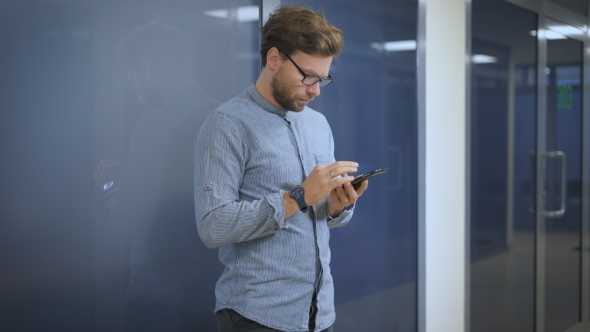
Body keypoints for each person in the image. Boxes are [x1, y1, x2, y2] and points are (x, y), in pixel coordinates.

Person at [193, 5, 369, 332]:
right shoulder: (226, 124)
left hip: (320, 315)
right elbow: (212, 226)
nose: (316, 90)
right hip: (257, 318)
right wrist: (298, 197)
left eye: (323, 79)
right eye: (308, 77)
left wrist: (334, 208)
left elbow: (311, 221)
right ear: (274, 58)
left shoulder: (318, 124)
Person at [93, 20, 222, 332]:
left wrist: (111, 187)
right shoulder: (224, 115)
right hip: (211, 295)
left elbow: (129, 220)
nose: (134, 85)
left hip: (159, 298)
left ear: (147, 67)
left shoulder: (154, 125)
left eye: (133, 75)